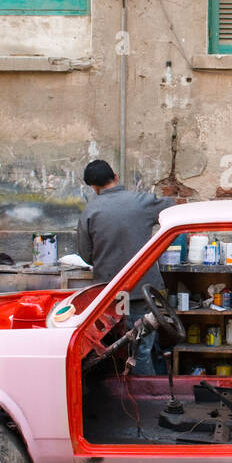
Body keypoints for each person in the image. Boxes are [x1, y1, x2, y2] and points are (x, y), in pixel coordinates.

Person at [76, 159, 175, 374]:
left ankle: (127, 394)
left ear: (93, 187)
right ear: (116, 177)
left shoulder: (90, 211)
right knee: (142, 348)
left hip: (113, 294)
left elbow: (86, 255)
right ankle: (146, 396)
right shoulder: (142, 201)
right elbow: (174, 208)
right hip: (144, 291)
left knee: (119, 349)